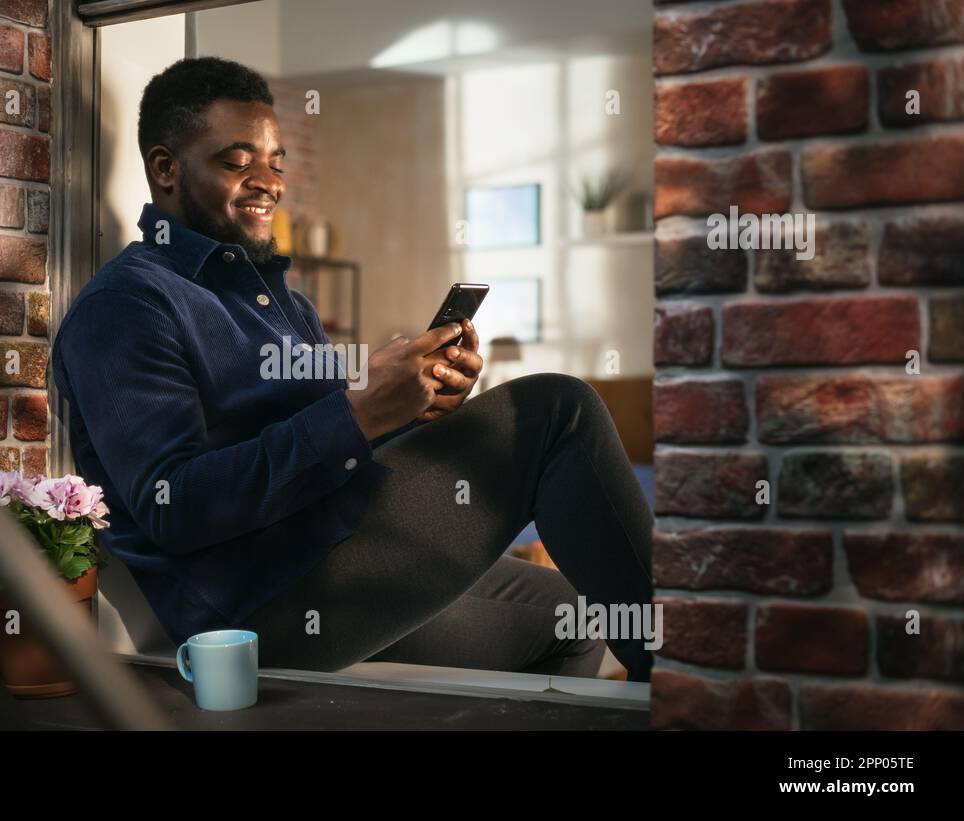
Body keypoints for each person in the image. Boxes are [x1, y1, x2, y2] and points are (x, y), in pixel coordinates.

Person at [53, 57, 654, 682]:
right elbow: (172, 508)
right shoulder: (126, 306)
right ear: (166, 167)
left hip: (335, 545)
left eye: (276, 160)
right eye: (237, 161)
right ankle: (700, 678)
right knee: (557, 410)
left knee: (570, 618)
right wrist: (359, 411)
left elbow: (338, 446)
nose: (268, 181)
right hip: (256, 605)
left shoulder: (280, 302)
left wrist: (414, 407)